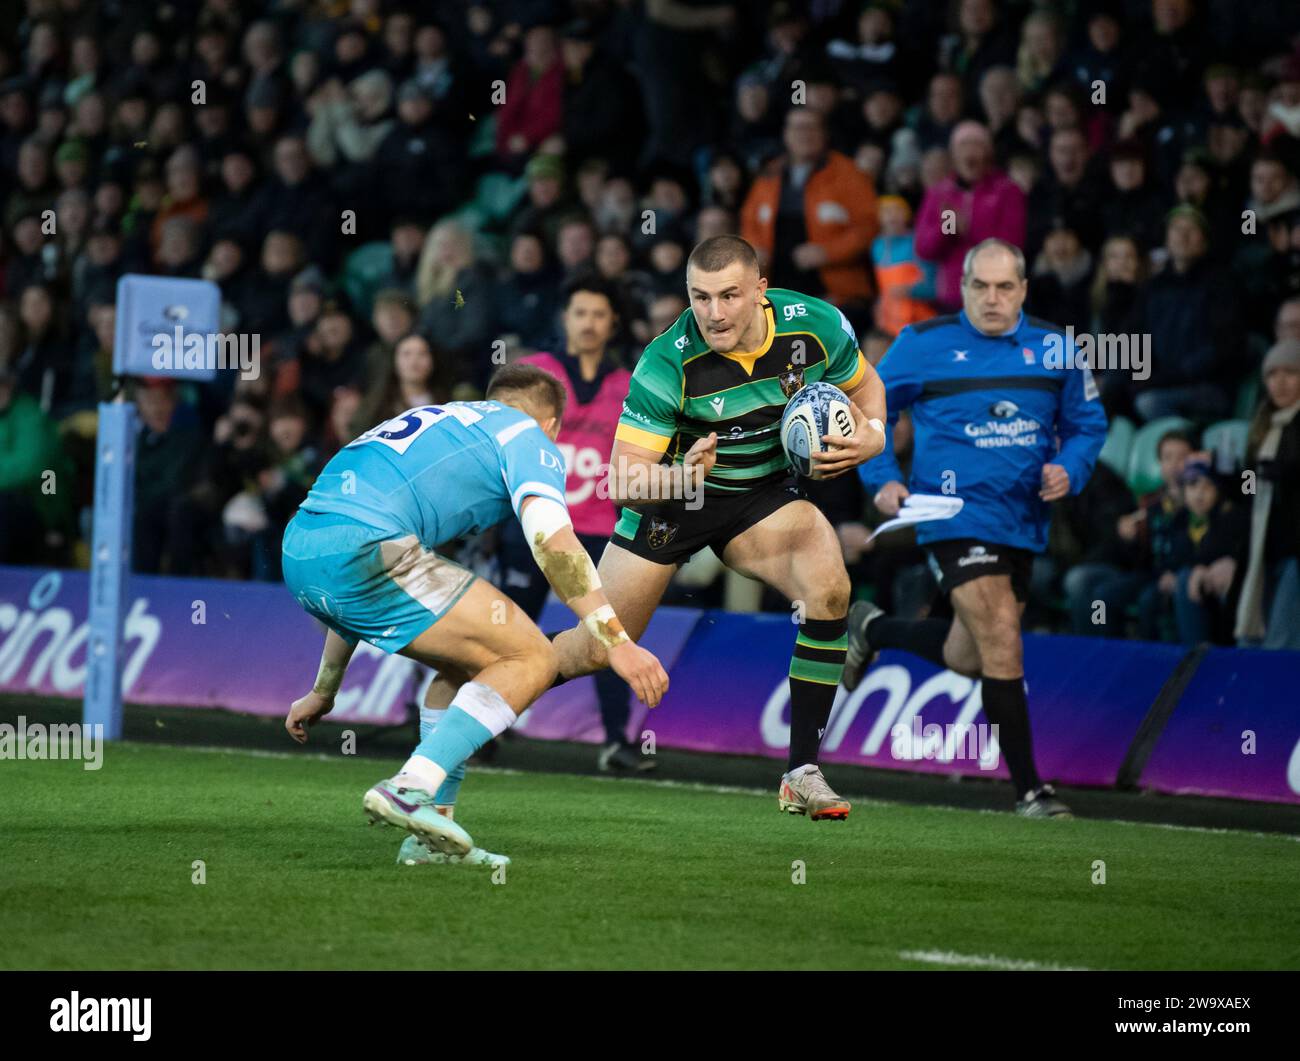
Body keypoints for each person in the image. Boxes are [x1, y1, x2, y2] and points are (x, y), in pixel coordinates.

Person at [550, 235, 887, 821]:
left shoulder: (816, 327)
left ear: (761, 291)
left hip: (758, 495)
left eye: (730, 295)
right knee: (591, 652)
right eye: (700, 297)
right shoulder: (667, 361)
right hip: (672, 501)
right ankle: (490, 687)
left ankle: (802, 772)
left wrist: (873, 436)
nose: (714, 313)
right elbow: (623, 481)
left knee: (830, 587)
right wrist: (681, 476)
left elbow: (866, 388)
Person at [281, 364, 668, 867]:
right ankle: (409, 788)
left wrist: (324, 688)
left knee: (466, 666)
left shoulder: (440, 420)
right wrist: (618, 643)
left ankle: (427, 836)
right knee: (531, 657)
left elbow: (350, 549)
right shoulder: (526, 435)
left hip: (302, 554)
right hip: (366, 547)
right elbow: (552, 542)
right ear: (552, 424)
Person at [846, 238, 1108, 818]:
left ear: (1023, 289)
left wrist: (1072, 465)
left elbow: (1089, 424)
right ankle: (1031, 791)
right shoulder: (922, 343)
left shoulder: (1056, 349)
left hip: (1022, 525)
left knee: (970, 656)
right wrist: (884, 479)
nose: (992, 299)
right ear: (962, 287)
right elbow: (869, 412)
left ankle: (873, 629)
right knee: (1002, 634)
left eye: (1005, 287)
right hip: (950, 517)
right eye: (980, 286)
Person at [509, 275, 645, 771]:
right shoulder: (534, 374)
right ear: (565, 318)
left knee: (609, 630)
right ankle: (480, 723)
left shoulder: (627, 383)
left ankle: (616, 741)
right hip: (529, 524)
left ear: (612, 323)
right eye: (580, 313)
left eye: (599, 314)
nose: (588, 323)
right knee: (506, 630)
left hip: (596, 527)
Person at [1235, 339, 1300, 649]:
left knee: (1281, 641)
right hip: (1263, 547)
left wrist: (1288, 475)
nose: (1281, 382)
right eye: (1273, 374)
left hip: (1294, 551)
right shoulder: (1262, 427)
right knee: (1253, 638)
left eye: (1291, 372)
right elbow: (1248, 486)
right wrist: (1236, 480)